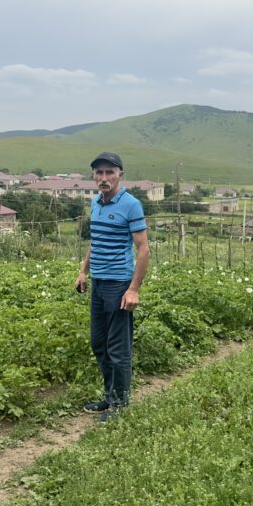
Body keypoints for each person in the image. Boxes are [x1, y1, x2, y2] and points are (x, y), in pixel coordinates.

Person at [74, 151, 150, 422]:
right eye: (99, 172)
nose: (104, 177)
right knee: (99, 344)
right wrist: (83, 272)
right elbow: (94, 242)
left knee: (118, 349)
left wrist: (133, 289)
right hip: (99, 283)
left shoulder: (131, 205)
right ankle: (109, 397)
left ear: (120, 174)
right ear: (94, 176)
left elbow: (143, 249)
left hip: (119, 284)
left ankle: (120, 404)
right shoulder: (96, 203)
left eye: (110, 172)